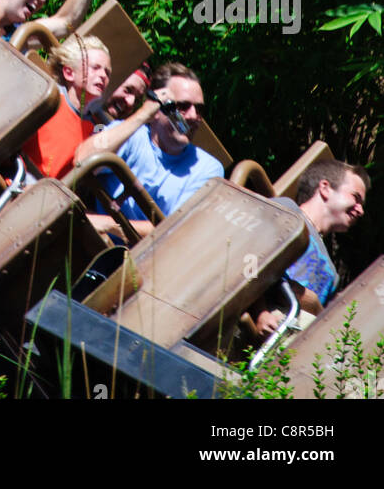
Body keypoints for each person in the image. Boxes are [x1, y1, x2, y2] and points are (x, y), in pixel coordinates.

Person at [98, 61, 223, 234]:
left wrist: (105, 224)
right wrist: (143, 114)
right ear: (157, 107)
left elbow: (176, 229)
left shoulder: (207, 168)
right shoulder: (127, 134)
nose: (194, 116)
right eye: (183, 106)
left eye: (199, 109)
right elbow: (81, 161)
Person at [250, 161, 370, 335]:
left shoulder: (332, 274)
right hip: (270, 321)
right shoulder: (286, 211)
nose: (361, 211)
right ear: (325, 188)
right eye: (356, 197)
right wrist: (260, 313)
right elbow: (248, 258)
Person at [23, 36, 161, 181]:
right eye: (95, 68)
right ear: (69, 73)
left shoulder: (97, 127)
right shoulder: (49, 97)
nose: (103, 75)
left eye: (107, 73)